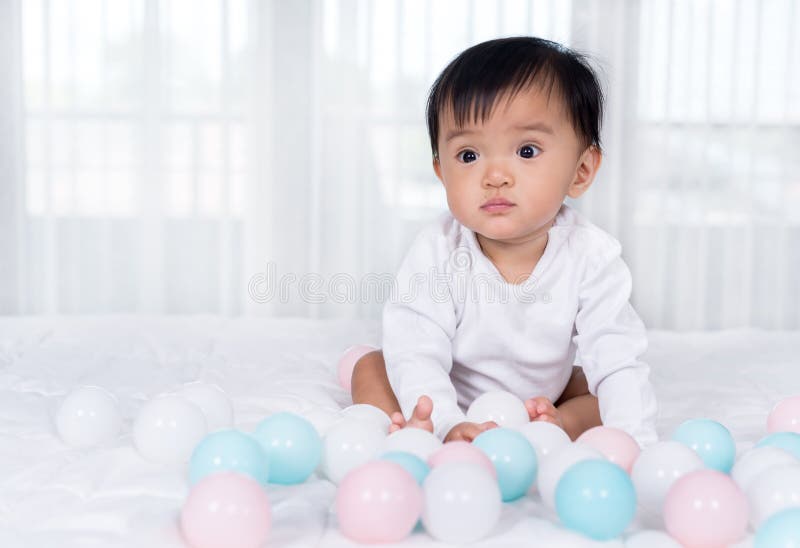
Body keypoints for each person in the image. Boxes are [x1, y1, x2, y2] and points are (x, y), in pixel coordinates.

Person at [349, 36, 657, 447]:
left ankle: (555, 424)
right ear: (441, 173)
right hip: (451, 392)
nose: (495, 175)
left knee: (604, 385)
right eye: (469, 156)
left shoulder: (592, 256)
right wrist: (442, 420)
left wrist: (636, 443)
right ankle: (420, 425)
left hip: (543, 393)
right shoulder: (438, 250)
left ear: (581, 171)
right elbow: (417, 347)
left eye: (527, 150)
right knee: (372, 367)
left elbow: (616, 352)